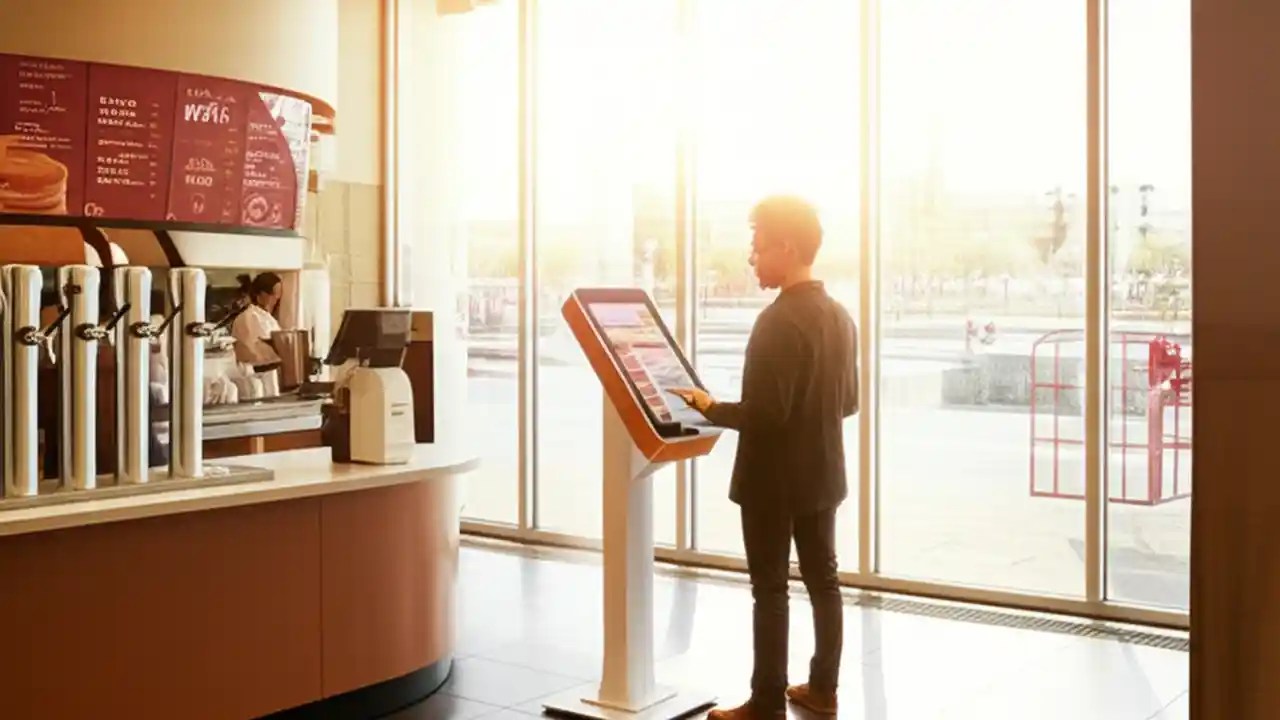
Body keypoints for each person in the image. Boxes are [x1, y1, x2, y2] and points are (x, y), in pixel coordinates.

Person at [672, 195, 858, 719]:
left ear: (787, 246)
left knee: (770, 590)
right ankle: (823, 689)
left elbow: (765, 413)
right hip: (823, 475)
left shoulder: (777, 322)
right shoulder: (842, 318)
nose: (751, 259)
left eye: (757, 248)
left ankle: (765, 702)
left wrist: (711, 407)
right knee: (825, 580)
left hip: (773, 483)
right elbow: (847, 402)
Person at [231, 272, 284, 368]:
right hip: (253, 372)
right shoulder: (248, 317)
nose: (276, 298)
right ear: (260, 294)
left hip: (270, 369)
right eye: (273, 294)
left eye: (278, 294)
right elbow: (252, 350)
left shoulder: (268, 318)